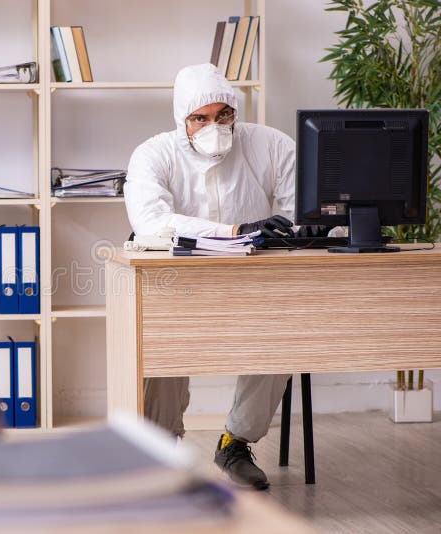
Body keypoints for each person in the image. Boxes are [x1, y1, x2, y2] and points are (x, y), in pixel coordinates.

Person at [124, 63, 320, 490]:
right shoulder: (153, 154)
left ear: (235, 111)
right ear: (183, 120)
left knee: (283, 333)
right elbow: (151, 223)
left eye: (223, 114)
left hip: (254, 283)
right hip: (180, 285)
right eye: (200, 118)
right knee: (159, 339)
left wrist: (294, 229)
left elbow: (301, 210)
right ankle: (163, 446)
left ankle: (235, 442)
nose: (214, 125)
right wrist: (236, 231)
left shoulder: (271, 145)